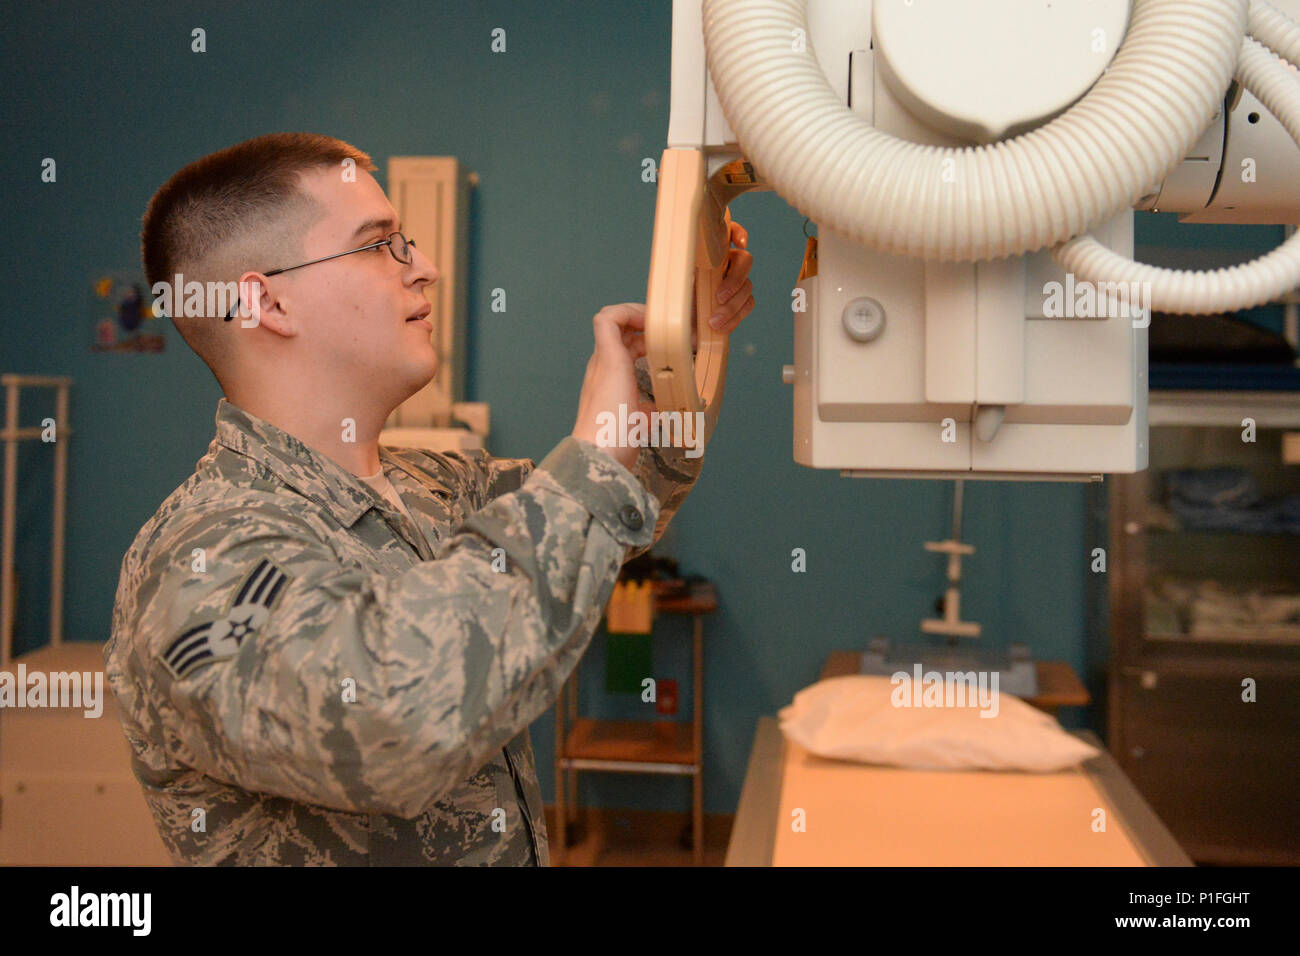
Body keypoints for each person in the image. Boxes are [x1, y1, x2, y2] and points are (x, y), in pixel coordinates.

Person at [104, 132, 755, 865]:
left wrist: (673, 350)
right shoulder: (199, 558)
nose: (428, 269)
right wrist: (594, 453)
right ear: (268, 301)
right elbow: (396, 720)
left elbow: (617, 517)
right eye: (381, 245)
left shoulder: (435, 486)